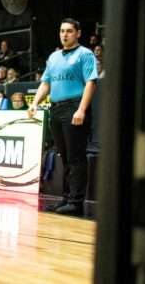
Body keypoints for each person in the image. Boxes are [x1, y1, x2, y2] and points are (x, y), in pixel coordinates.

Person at [28, 18, 98, 216]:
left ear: (78, 33)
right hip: (56, 109)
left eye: (69, 31)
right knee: (64, 156)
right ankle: (66, 199)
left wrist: (82, 110)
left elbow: (91, 83)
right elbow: (45, 83)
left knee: (76, 157)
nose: (64, 34)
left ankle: (75, 202)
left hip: (74, 107)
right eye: (61, 31)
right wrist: (34, 103)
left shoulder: (85, 54)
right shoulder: (54, 57)